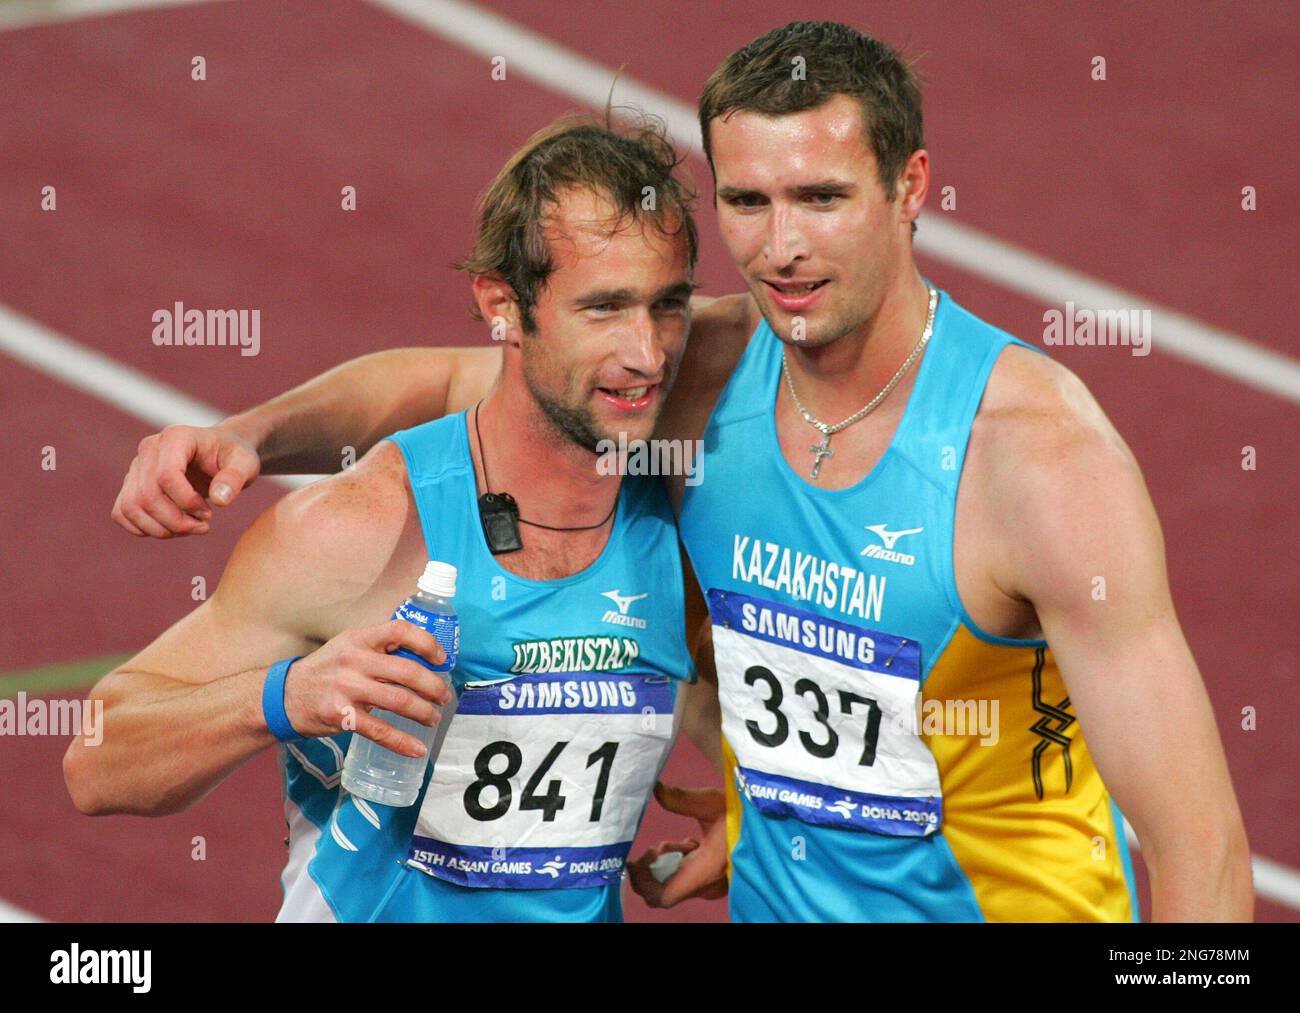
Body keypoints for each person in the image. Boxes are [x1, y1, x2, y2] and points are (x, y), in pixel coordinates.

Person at [108, 22, 1253, 922]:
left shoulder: (1039, 462)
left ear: (910, 188)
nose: (781, 246)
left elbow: (1199, 848)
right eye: (747, 201)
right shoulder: (700, 368)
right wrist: (251, 437)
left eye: (821, 197)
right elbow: (446, 383)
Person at [67, 115, 720, 923]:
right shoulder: (364, 529)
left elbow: (709, 683)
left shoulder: (684, 517)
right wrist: (288, 695)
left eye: (668, 305)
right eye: (604, 308)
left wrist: (753, 805)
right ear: (503, 308)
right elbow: (95, 762)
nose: (649, 353)